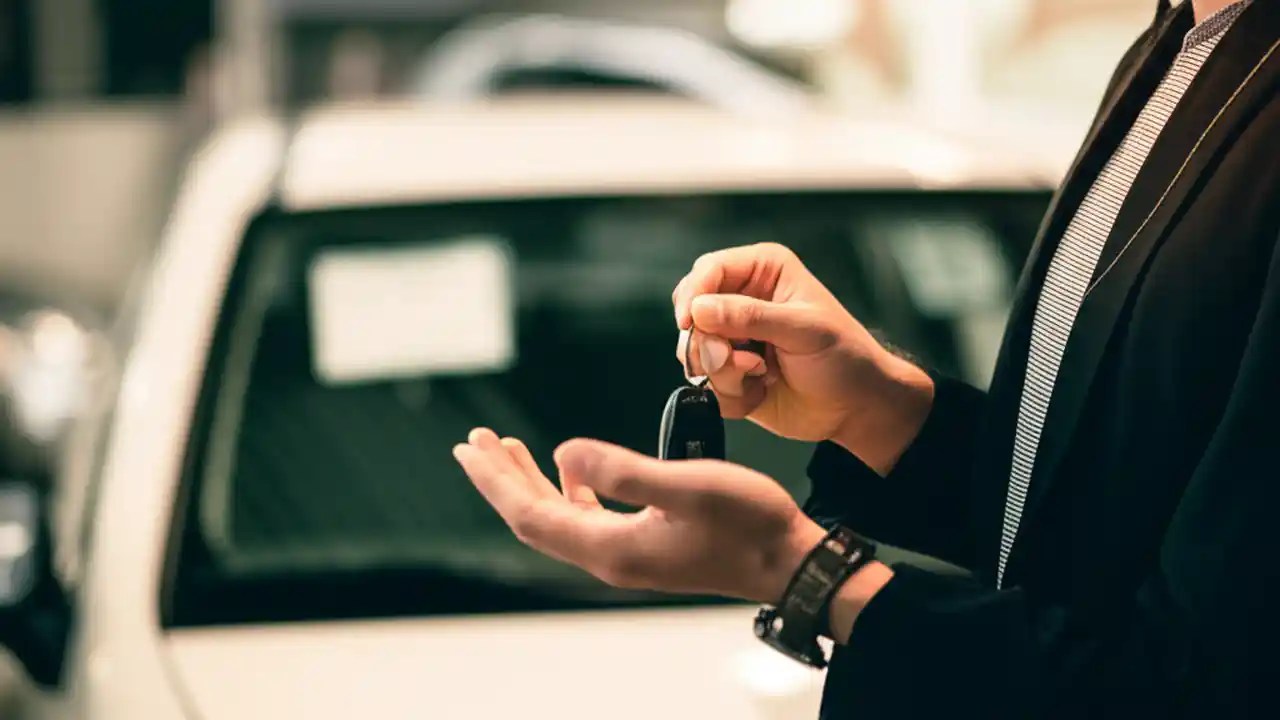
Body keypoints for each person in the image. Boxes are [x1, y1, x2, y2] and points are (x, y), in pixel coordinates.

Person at [453, 0, 1280, 716]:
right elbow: (1088, 523)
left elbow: (1214, 685)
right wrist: (881, 409)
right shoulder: (1179, 44)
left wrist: (806, 573)